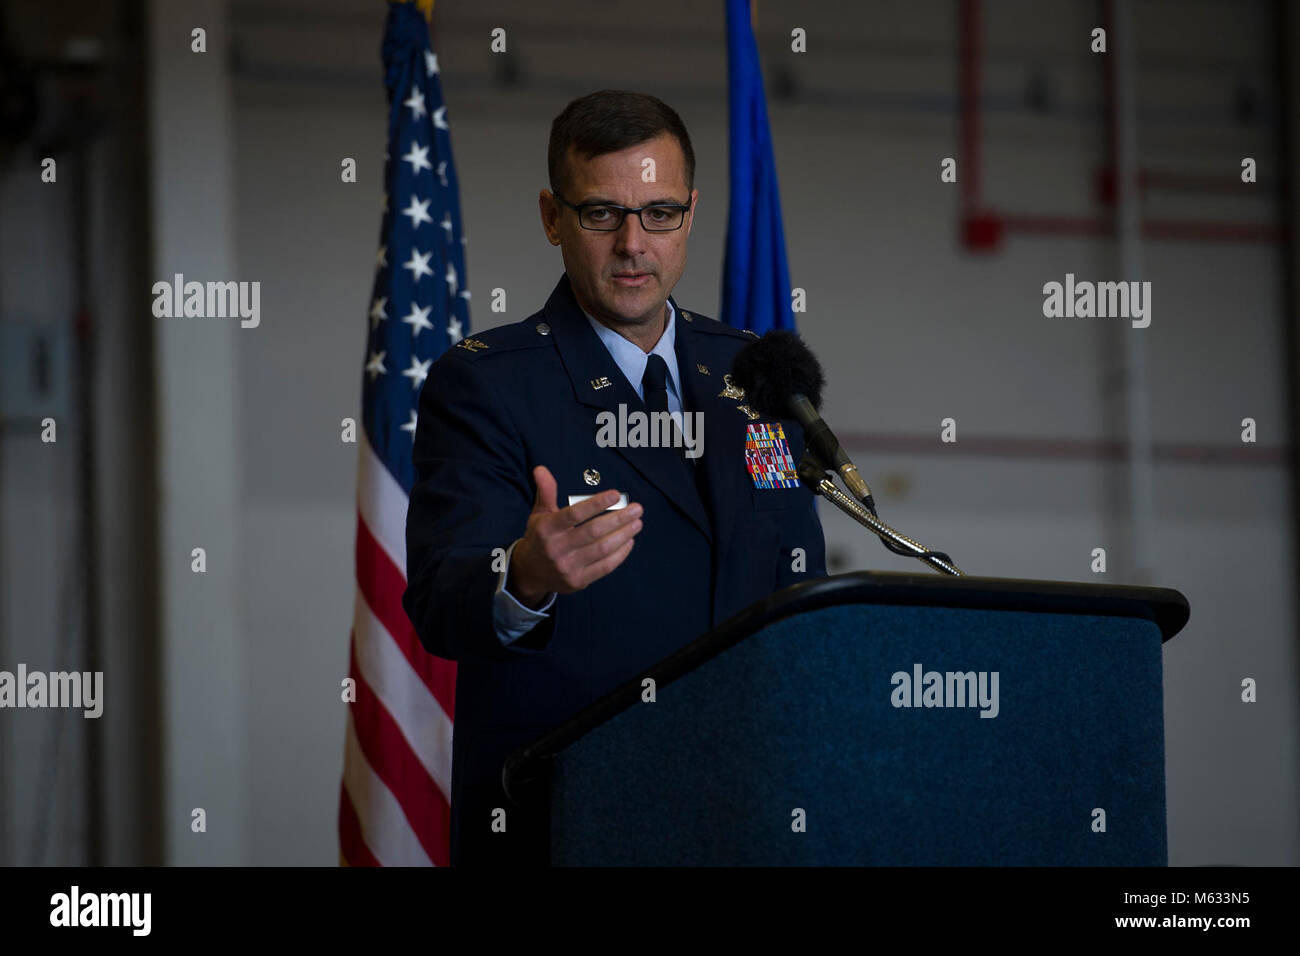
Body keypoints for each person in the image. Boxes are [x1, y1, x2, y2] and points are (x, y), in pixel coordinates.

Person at [403, 89, 827, 866]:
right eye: (602, 214)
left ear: (691, 214)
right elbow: (439, 603)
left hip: (742, 815)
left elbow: (796, 580)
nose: (634, 243)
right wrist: (523, 576)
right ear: (552, 217)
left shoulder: (754, 373)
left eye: (659, 213)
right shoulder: (488, 384)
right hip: (575, 823)